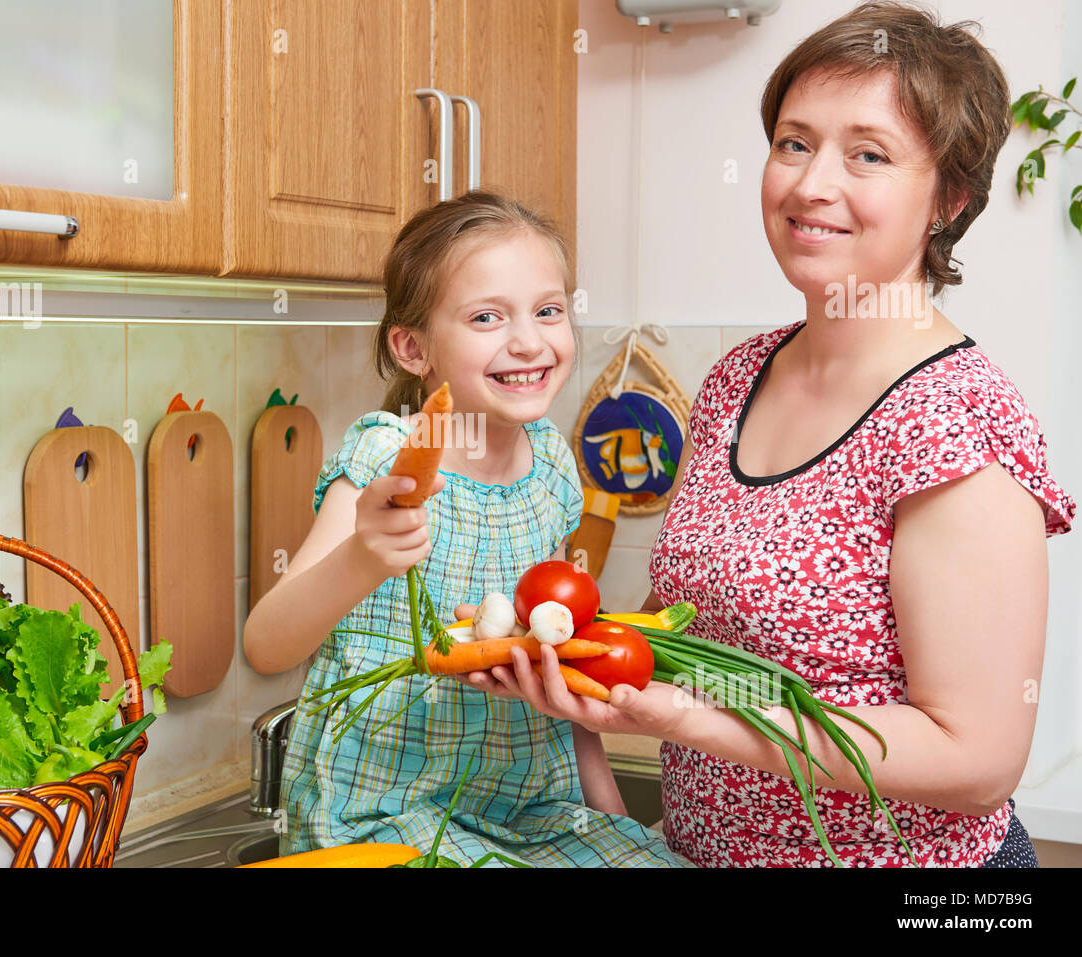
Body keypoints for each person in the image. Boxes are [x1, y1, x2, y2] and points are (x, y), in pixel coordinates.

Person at [460, 1, 1075, 867]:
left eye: (867, 154)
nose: (810, 183)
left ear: (950, 198)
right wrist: (576, 651)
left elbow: (977, 757)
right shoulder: (739, 377)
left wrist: (690, 719)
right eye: (794, 142)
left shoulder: (955, 421)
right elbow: (719, 638)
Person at [243, 191, 689, 866]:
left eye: (549, 310)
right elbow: (266, 643)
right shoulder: (382, 461)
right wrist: (363, 558)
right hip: (381, 817)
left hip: (530, 808)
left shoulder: (553, 470)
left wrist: (616, 823)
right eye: (487, 317)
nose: (529, 340)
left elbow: (560, 663)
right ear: (413, 347)